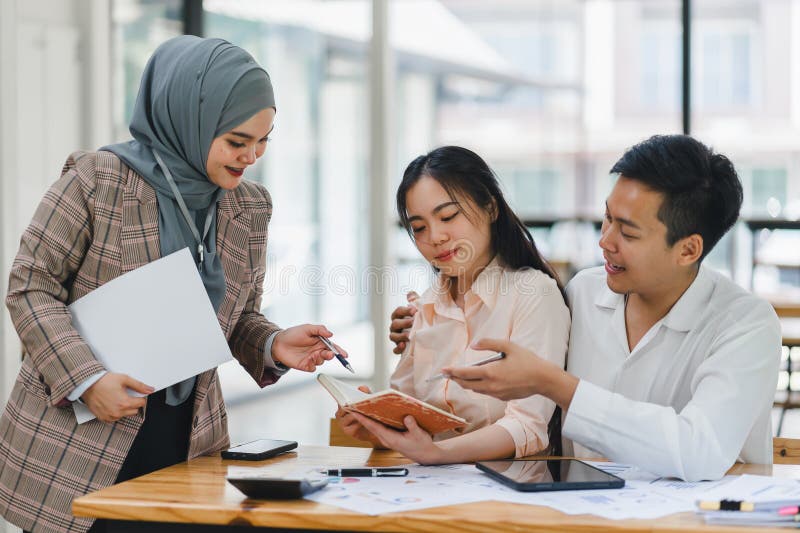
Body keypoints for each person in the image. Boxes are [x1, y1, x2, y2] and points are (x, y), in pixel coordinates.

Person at [0, 36, 345, 533]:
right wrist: (86, 380)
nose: (251, 156)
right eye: (236, 140)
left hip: (186, 442)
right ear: (189, 118)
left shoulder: (249, 207)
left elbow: (234, 317)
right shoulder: (97, 180)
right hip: (80, 443)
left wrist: (272, 342)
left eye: (263, 140)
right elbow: (29, 286)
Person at [390, 135, 782, 481]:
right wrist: (425, 330)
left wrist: (554, 384)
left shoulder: (746, 325)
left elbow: (698, 451)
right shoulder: (584, 293)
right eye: (606, 218)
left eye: (627, 232)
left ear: (688, 249)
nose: (605, 241)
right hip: (583, 512)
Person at [338, 146, 570, 464]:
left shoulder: (534, 294)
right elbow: (409, 414)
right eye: (418, 228)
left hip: (507, 494)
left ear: (490, 208)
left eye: (448, 216)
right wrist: (374, 425)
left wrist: (437, 453)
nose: (435, 237)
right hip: (432, 488)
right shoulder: (427, 305)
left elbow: (528, 426)